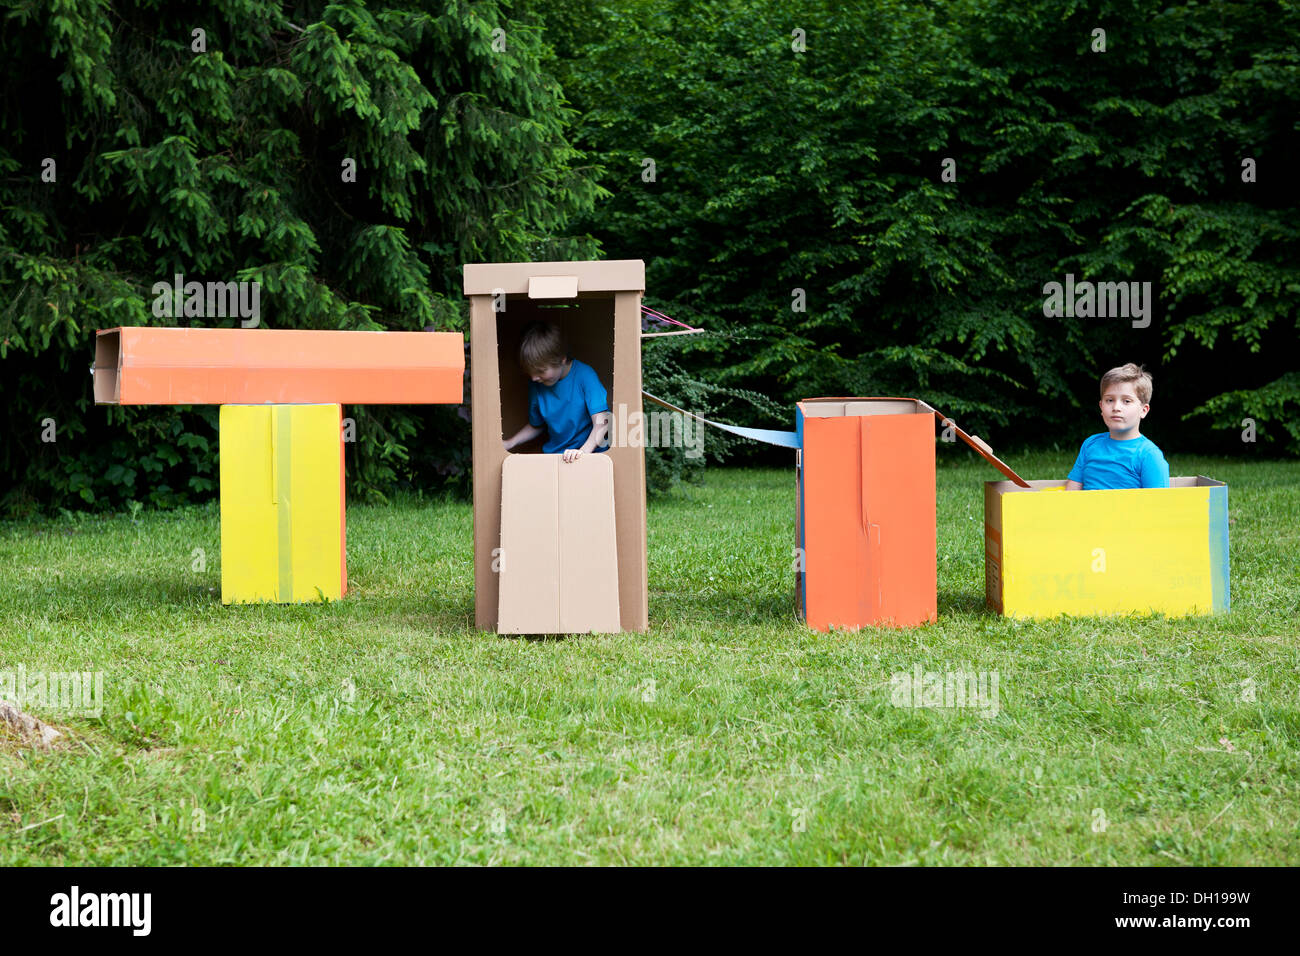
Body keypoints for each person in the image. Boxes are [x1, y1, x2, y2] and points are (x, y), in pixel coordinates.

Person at [503, 321, 610, 462]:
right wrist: (510, 442)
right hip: (556, 455)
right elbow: (537, 425)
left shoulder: (584, 376)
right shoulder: (537, 383)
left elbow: (603, 422)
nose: (534, 378)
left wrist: (582, 453)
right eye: (531, 372)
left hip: (591, 454)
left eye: (540, 371)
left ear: (562, 359)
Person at [1065, 362, 1170, 490]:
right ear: (1101, 406)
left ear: (1143, 410)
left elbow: (1158, 504)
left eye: (1126, 401)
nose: (1116, 408)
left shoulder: (1149, 455)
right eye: (1110, 400)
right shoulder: (1090, 444)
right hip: (1087, 510)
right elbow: (1071, 493)